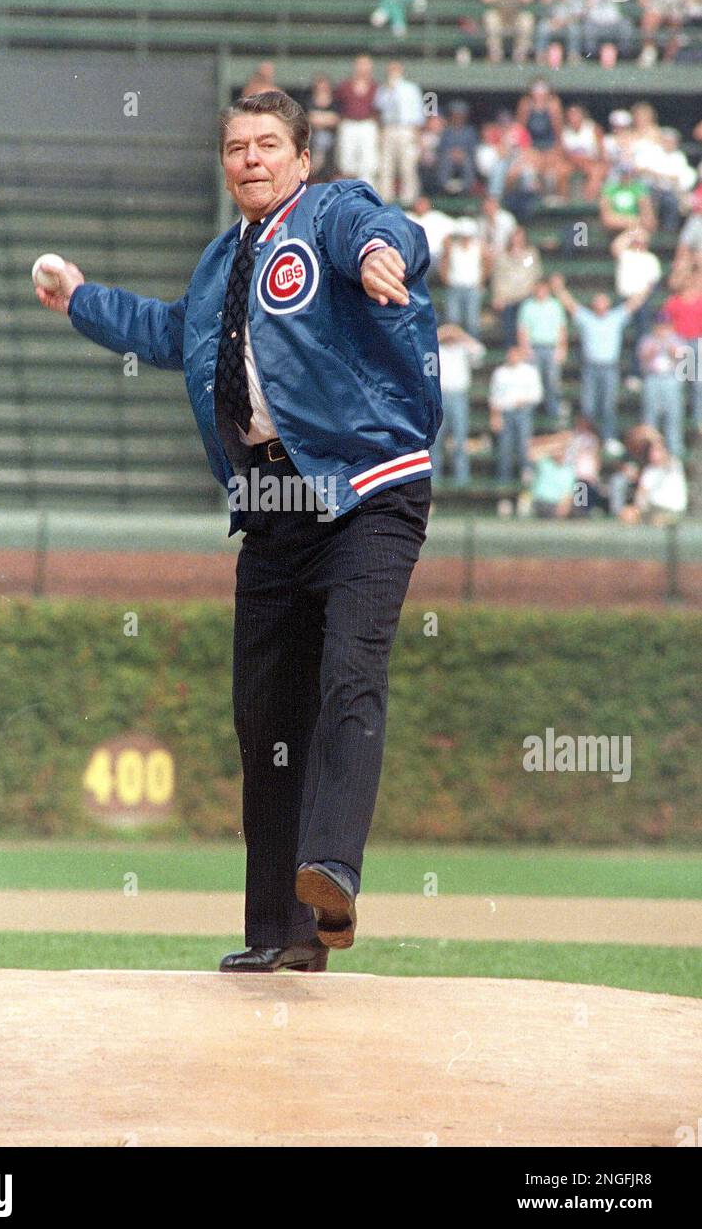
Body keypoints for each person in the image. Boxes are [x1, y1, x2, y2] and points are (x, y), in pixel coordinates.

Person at [32, 89, 441, 974]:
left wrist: (379, 253)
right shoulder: (222, 260)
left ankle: (330, 867)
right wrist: (80, 300)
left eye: (267, 144)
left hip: (364, 489)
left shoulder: (332, 213)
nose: (249, 158)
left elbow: (388, 231)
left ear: (301, 158)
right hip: (273, 507)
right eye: (234, 147)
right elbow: (174, 335)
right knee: (264, 717)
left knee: (349, 673)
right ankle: (282, 932)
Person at [551, 274, 649, 445]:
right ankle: (586, 438)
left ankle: (608, 438)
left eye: (603, 302)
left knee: (608, 406)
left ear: (608, 304)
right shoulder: (587, 318)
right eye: (597, 302)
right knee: (588, 406)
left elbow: (633, 304)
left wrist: (647, 286)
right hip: (591, 367)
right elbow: (571, 305)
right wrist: (559, 289)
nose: (600, 305)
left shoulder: (615, 318)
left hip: (609, 367)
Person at [431, 324, 485, 486]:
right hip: (440, 396)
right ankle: (434, 478)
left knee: (460, 438)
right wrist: (442, 332)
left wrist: (459, 333)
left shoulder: (463, 350)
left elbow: (480, 351)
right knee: (436, 440)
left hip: (459, 397)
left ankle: (461, 478)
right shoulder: (436, 350)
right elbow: (424, 350)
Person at [489, 344, 543, 484]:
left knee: (524, 444)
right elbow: (494, 397)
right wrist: (495, 416)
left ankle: (526, 473)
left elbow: (537, 394)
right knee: (505, 447)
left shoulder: (530, 372)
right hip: (505, 412)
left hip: (523, 411)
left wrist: (524, 400)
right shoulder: (500, 372)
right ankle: (503, 479)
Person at [516, 279, 568, 424]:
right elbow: (522, 329)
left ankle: (554, 411)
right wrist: (525, 348)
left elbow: (561, 328)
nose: (540, 292)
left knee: (553, 381)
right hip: (534, 347)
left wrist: (562, 348)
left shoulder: (555, 305)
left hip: (551, 347)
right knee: (532, 382)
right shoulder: (527, 306)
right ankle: (530, 414)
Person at [374, 60, 425, 204]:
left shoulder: (411, 88)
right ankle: (384, 198)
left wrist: (417, 136)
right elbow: (379, 109)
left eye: (395, 70)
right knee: (386, 167)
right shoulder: (383, 89)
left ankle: (408, 200)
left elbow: (417, 114)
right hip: (389, 128)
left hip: (406, 129)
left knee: (407, 166)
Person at [638, 318, 687, 457]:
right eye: (659, 326)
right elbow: (642, 358)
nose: (661, 330)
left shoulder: (677, 340)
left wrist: (672, 350)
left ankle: (674, 450)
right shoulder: (647, 340)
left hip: (670, 378)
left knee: (673, 415)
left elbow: (685, 362)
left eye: (664, 326)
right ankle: (649, 450)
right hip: (653, 377)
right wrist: (653, 350)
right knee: (650, 415)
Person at [662, 266, 702, 432]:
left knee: (698, 383)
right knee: (679, 382)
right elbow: (664, 322)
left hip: (696, 341)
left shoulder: (700, 300)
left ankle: (698, 418)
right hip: (680, 342)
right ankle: (676, 418)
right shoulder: (674, 301)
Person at [491, 225, 544, 347]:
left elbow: (534, 273)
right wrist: (498, 296)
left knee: (525, 328)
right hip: (508, 298)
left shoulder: (530, 255)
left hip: (526, 296)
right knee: (509, 329)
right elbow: (498, 277)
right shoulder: (502, 256)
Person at [334, 54, 379, 187]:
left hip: (367, 124)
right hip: (348, 123)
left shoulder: (375, 87)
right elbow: (337, 105)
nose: (363, 68)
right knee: (347, 162)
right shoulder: (345, 86)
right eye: (360, 64)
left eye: (366, 64)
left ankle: (367, 194)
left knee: (368, 163)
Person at [439, 217, 489, 336]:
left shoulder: (478, 247)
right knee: (452, 319)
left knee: (472, 321)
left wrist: (481, 280)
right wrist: (446, 279)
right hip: (455, 286)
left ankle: (474, 349)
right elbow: (444, 264)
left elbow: (487, 264)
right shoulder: (452, 247)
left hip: (472, 287)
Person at [621, 438, 688, 523]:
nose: (653, 454)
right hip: (651, 509)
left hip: (671, 510)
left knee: (658, 520)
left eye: (657, 451)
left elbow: (668, 463)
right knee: (627, 514)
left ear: (664, 452)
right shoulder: (649, 471)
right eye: (651, 452)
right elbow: (641, 492)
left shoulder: (674, 465)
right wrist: (638, 508)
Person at [479, 0, 535, 64]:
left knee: (527, 19)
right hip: (500, 18)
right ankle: (495, 54)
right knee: (490, 17)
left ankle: (520, 55)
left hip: (515, 18)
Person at [560, 104, 607, 199]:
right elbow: (563, 152)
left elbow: (601, 150)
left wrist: (595, 161)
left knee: (596, 172)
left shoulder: (593, 129)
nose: (573, 118)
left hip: (590, 161)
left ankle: (588, 201)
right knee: (560, 171)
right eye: (571, 115)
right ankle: (563, 200)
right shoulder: (565, 131)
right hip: (572, 162)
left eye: (576, 114)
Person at [599, 163, 657, 234]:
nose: (626, 177)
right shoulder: (610, 189)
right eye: (623, 174)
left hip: (637, 232)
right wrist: (635, 221)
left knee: (639, 237)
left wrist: (620, 219)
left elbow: (649, 222)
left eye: (629, 173)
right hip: (613, 232)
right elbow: (608, 220)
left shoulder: (640, 190)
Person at [436, 99, 479, 195]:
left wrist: (462, 154)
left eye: (460, 115)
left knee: (467, 162)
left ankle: (466, 189)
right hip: (448, 157)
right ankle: (444, 187)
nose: (458, 117)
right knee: (445, 160)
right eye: (455, 115)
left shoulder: (470, 131)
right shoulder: (446, 131)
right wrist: (452, 153)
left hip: (465, 157)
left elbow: (473, 149)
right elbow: (441, 148)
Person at [406, 194, 454, 275]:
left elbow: (448, 239)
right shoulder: (407, 217)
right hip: (412, 256)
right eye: (419, 203)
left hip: (435, 255)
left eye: (423, 203)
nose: (421, 206)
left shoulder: (438, 217)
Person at [306, 74, 340, 183]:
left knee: (324, 138)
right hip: (313, 137)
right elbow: (309, 118)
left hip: (331, 138)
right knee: (320, 138)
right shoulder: (309, 101)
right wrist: (326, 119)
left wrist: (319, 118)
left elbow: (336, 119)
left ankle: (317, 164)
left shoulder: (334, 102)